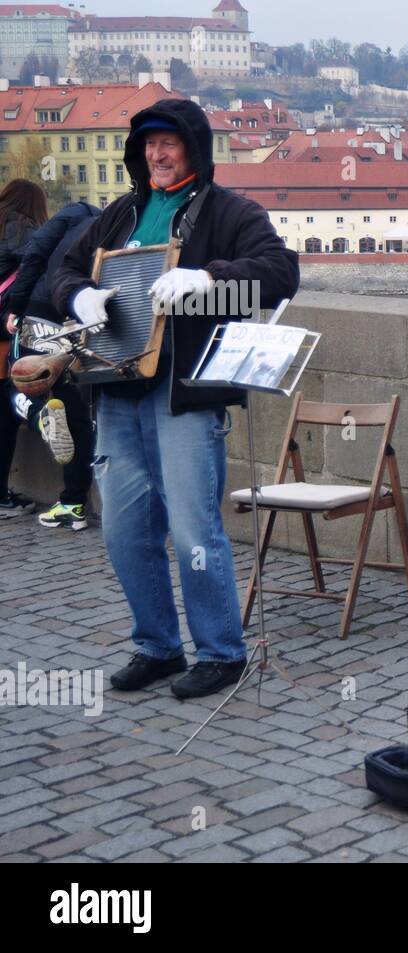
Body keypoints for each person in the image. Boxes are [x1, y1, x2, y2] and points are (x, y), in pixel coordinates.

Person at [51, 99, 300, 699]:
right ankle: (156, 646)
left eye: (169, 144)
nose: (157, 155)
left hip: (184, 396)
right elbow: (61, 270)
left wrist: (209, 277)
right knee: (124, 530)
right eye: (148, 146)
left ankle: (220, 652)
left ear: (194, 147)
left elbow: (279, 272)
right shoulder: (119, 215)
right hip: (116, 388)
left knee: (194, 531)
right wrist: (80, 295)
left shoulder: (229, 211)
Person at [4, 199, 100, 529]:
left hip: (41, 306)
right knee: (76, 412)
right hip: (78, 313)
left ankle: (37, 416)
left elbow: (34, 257)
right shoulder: (109, 224)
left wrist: (16, 306)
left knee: (18, 381)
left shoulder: (69, 214)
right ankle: (74, 501)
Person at [0, 179, 49, 513]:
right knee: (5, 415)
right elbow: (36, 258)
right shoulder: (19, 225)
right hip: (3, 333)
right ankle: (38, 417)